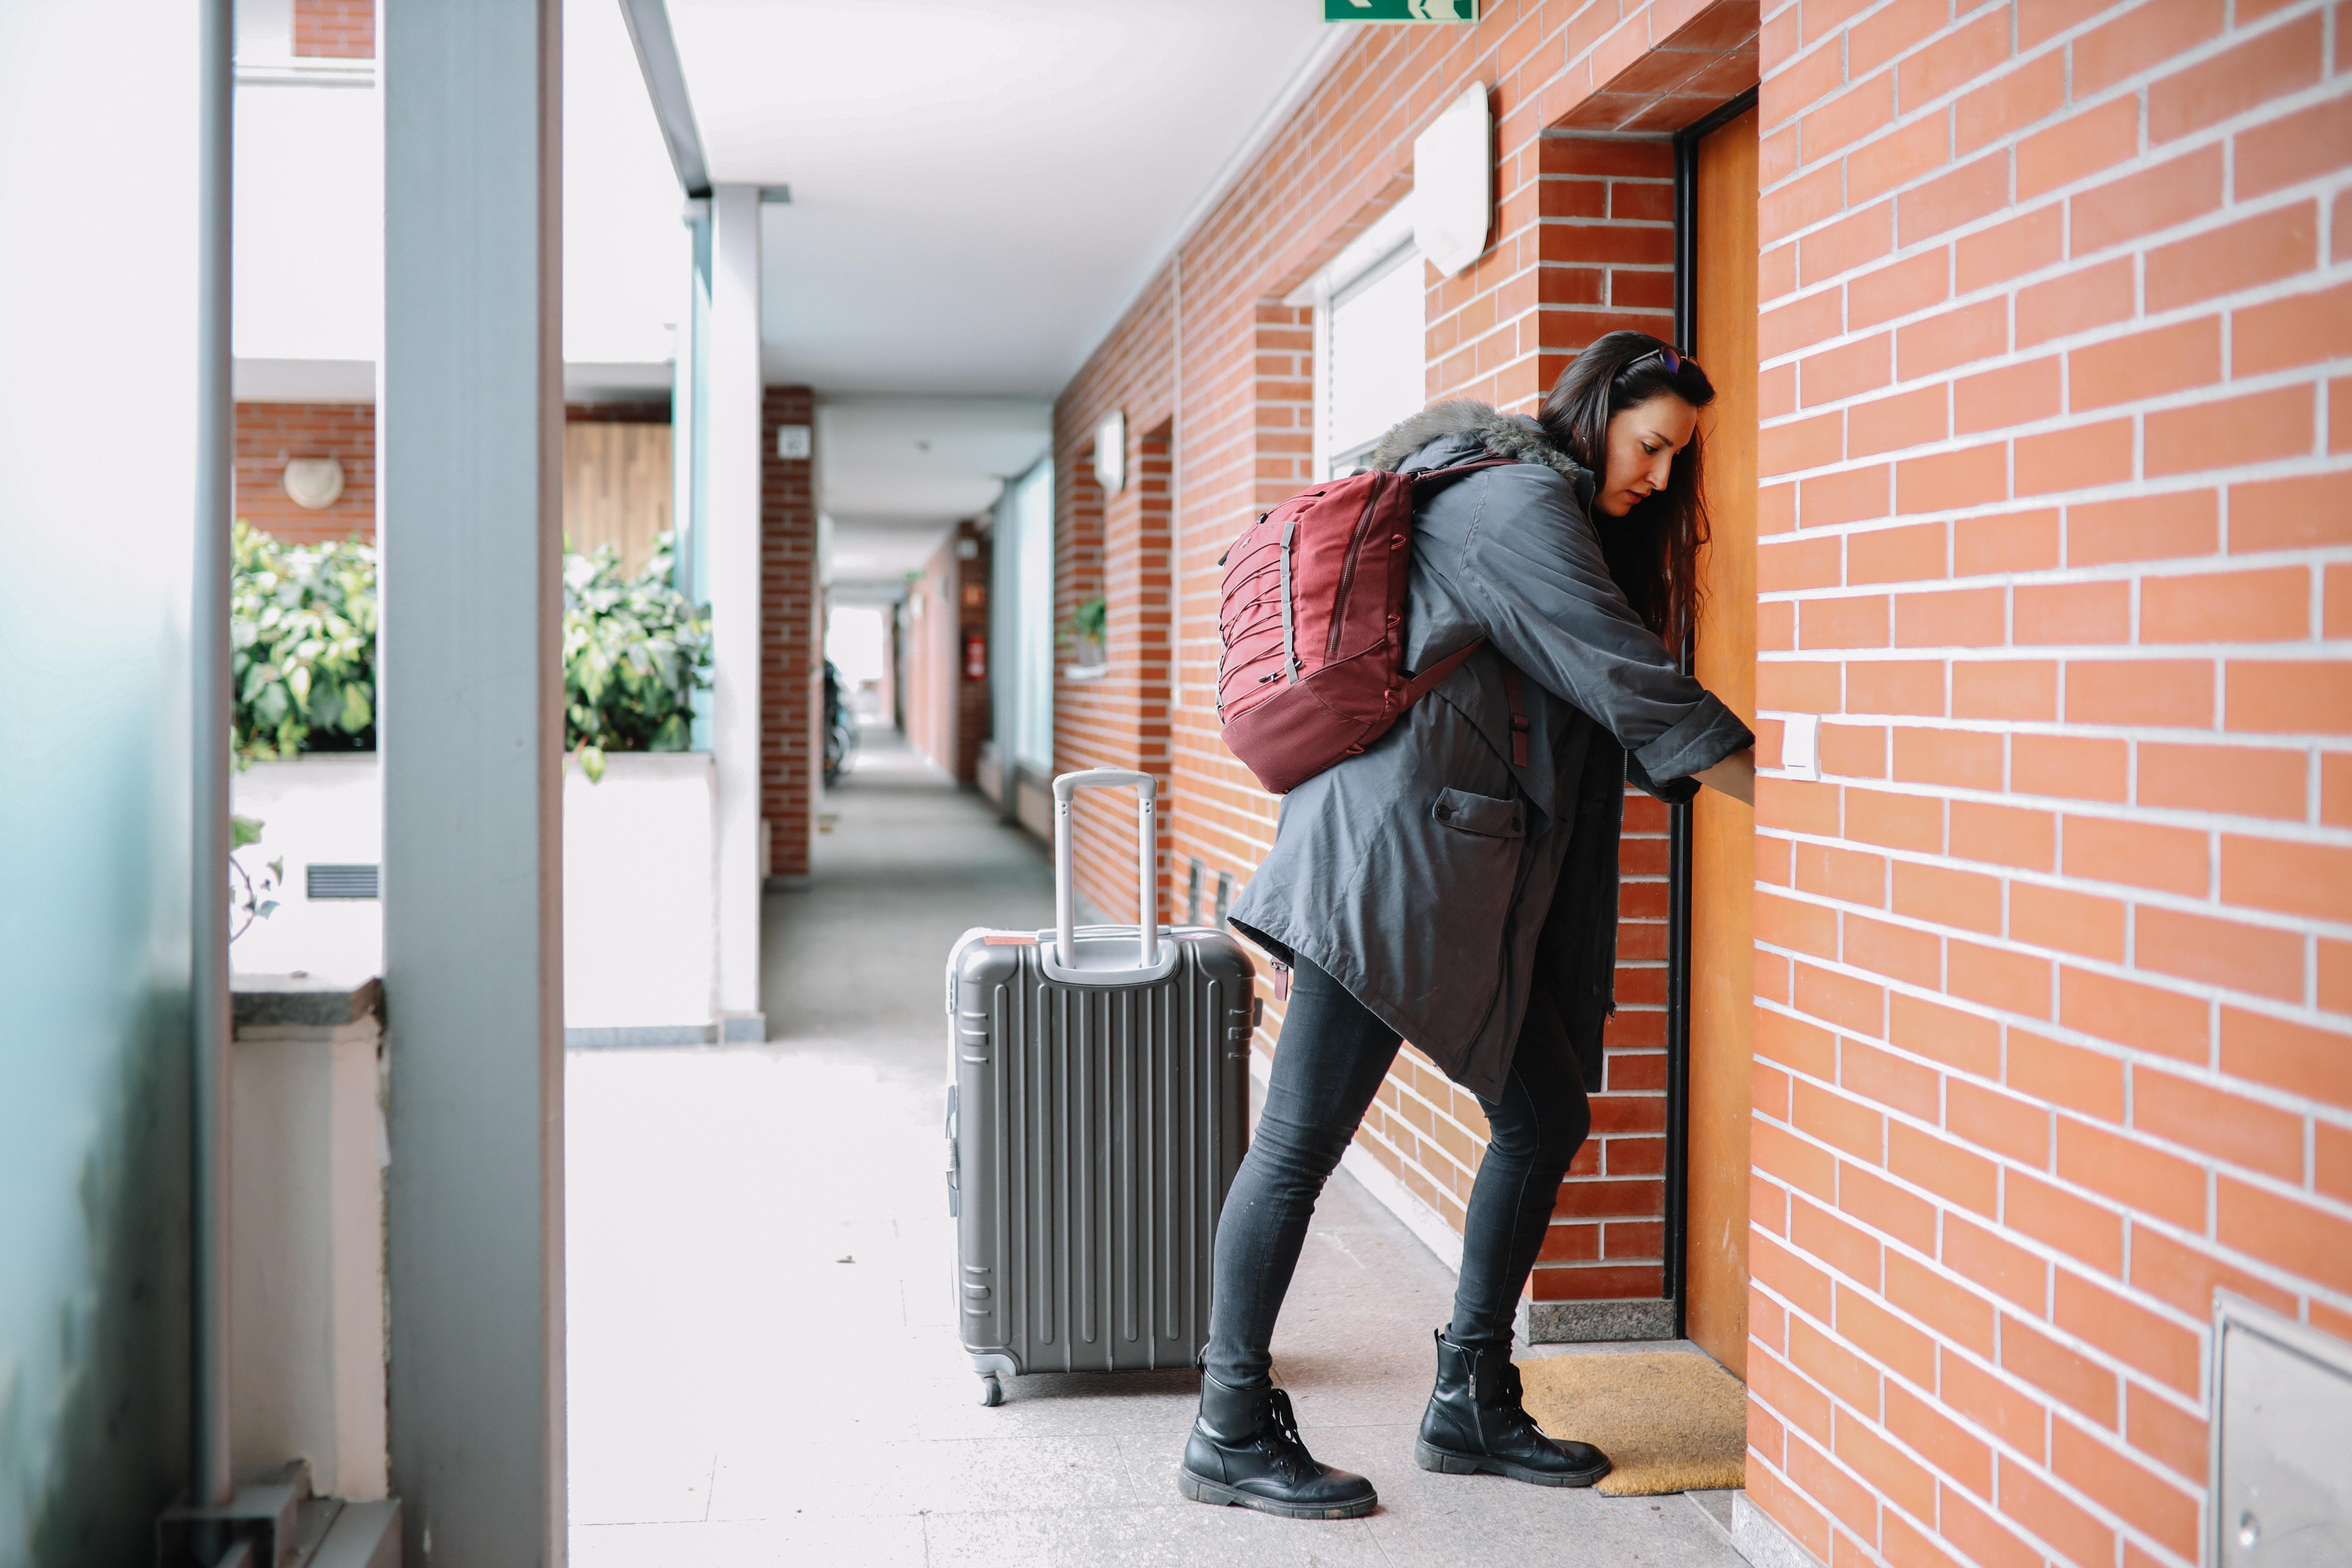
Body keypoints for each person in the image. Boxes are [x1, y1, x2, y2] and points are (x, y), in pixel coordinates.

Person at [1178, 331, 1757, 1520]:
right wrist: (1803, 798)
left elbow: (1572, 712)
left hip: (1451, 868)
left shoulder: (1527, 510)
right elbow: (1621, 675)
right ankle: (1227, 1426)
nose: (1658, 477)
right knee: (1298, 1144)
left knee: (1543, 1114)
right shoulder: (1512, 504)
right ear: (1596, 412)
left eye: (1675, 461)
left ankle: (1470, 1399)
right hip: (1387, 872)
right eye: (1650, 446)